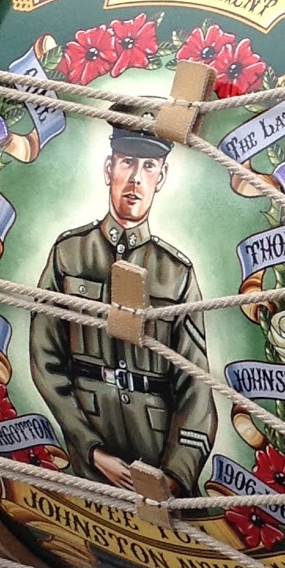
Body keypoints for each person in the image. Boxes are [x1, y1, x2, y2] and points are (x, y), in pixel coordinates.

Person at [30, 122, 217, 494]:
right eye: (127, 162)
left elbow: (196, 383)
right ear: (108, 169)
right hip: (91, 438)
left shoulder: (175, 272)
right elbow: (45, 358)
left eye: (149, 167)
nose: (136, 178)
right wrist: (91, 450)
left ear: (161, 177)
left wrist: (176, 474)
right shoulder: (69, 253)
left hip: (156, 437)